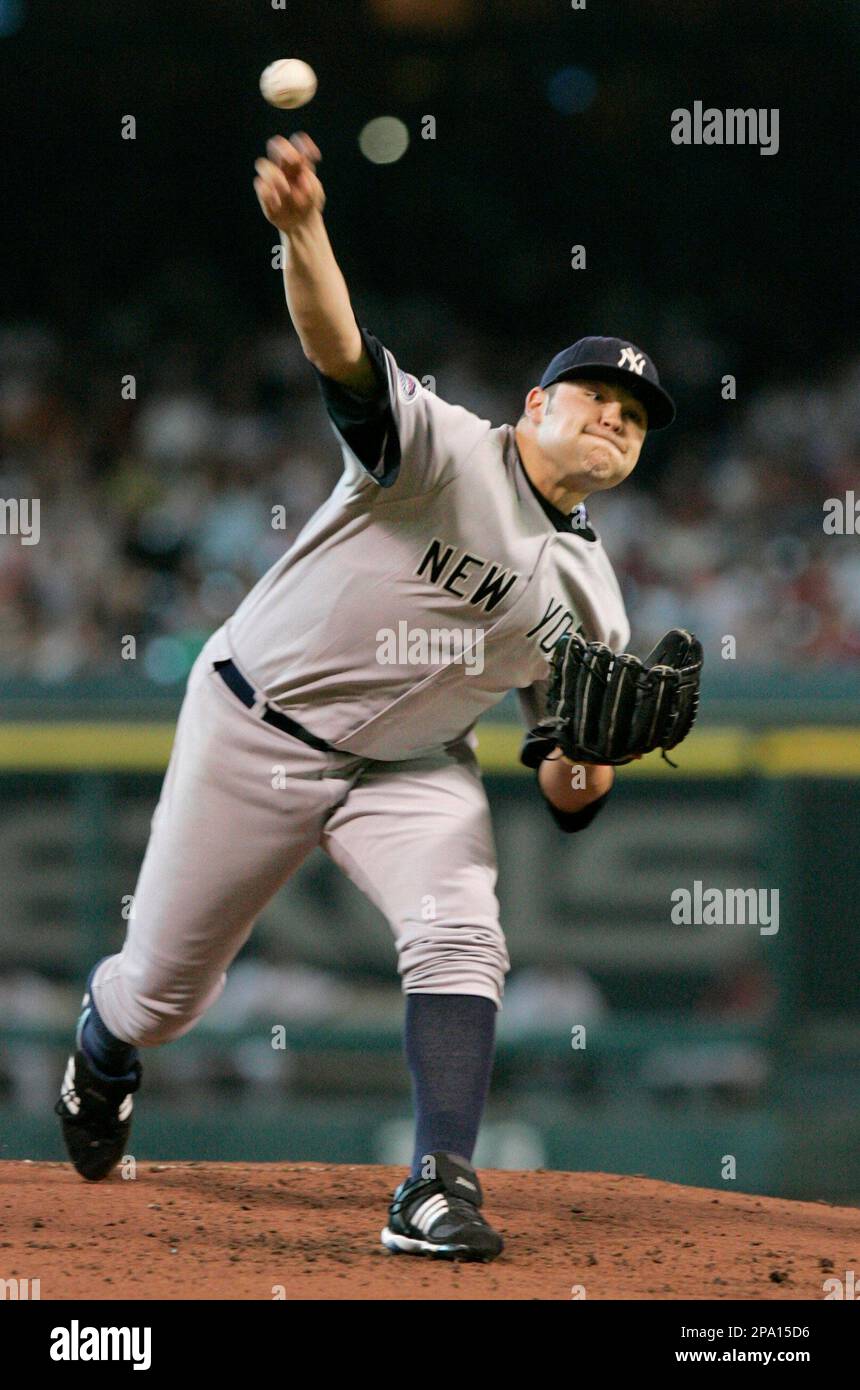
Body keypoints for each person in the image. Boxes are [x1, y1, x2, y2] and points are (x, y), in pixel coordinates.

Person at [56, 132, 676, 1263]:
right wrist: (301, 230)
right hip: (259, 724)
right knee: (164, 996)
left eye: (630, 420)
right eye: (593, 396)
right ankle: (104, 1042)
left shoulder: (595, 598)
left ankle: (435, 1184)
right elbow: (339, 352)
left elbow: (566, 790)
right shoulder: (443, 451)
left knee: (462, 935)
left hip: (411, 766)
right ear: (532, 403)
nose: (611, 421)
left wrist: (595, 752)